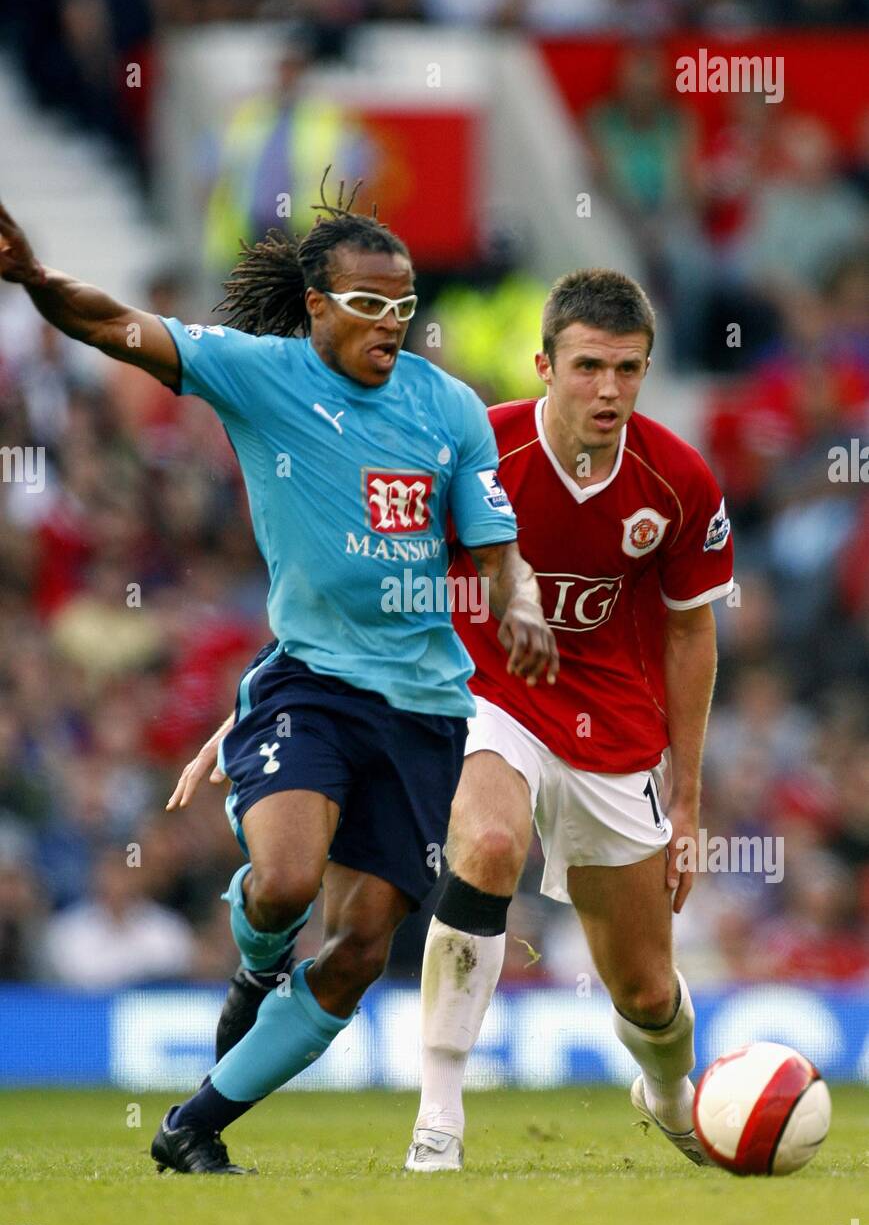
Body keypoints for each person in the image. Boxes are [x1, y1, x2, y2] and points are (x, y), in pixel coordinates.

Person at [0, 180, 558, 1174]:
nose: (393, 322)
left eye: (404, 303)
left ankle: (191, 1126)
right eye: (369, 303)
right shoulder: (257, 373)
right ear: (316, 306)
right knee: (286, 881)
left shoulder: (450, 408)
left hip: (425, 710)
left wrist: (513, 602)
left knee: (353, 952)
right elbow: (117, 327)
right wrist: (39, 281)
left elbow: (491, 544)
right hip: (310, 683)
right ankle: (255, 963)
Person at [177, 268, 735, 1173]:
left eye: (628, 370)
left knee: (644, 990)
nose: (607, 390)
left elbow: (689, 632)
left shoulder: (676, 481)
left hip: (614, 733)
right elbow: (358, 583)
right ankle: (439, 1117)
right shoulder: (474, 450)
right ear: (543, 366)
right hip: (483, 698)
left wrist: (690, 791)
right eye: (588, 366)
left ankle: (670, 1092)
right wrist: (269, 689)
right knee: (484, 846)